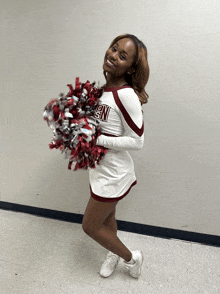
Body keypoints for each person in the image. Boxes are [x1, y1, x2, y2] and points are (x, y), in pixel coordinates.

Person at [82, 34, 149, 279]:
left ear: (131, 67)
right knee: (107, 219)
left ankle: (132, 258)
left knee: (90, 226)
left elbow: (137, 141)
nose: (113, 55)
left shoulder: (126, 95)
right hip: (99, 170)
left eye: (122, 56)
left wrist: (96, 139)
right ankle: (113, 250)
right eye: (113, 48)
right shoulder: (103, 91)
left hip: (114, 174)